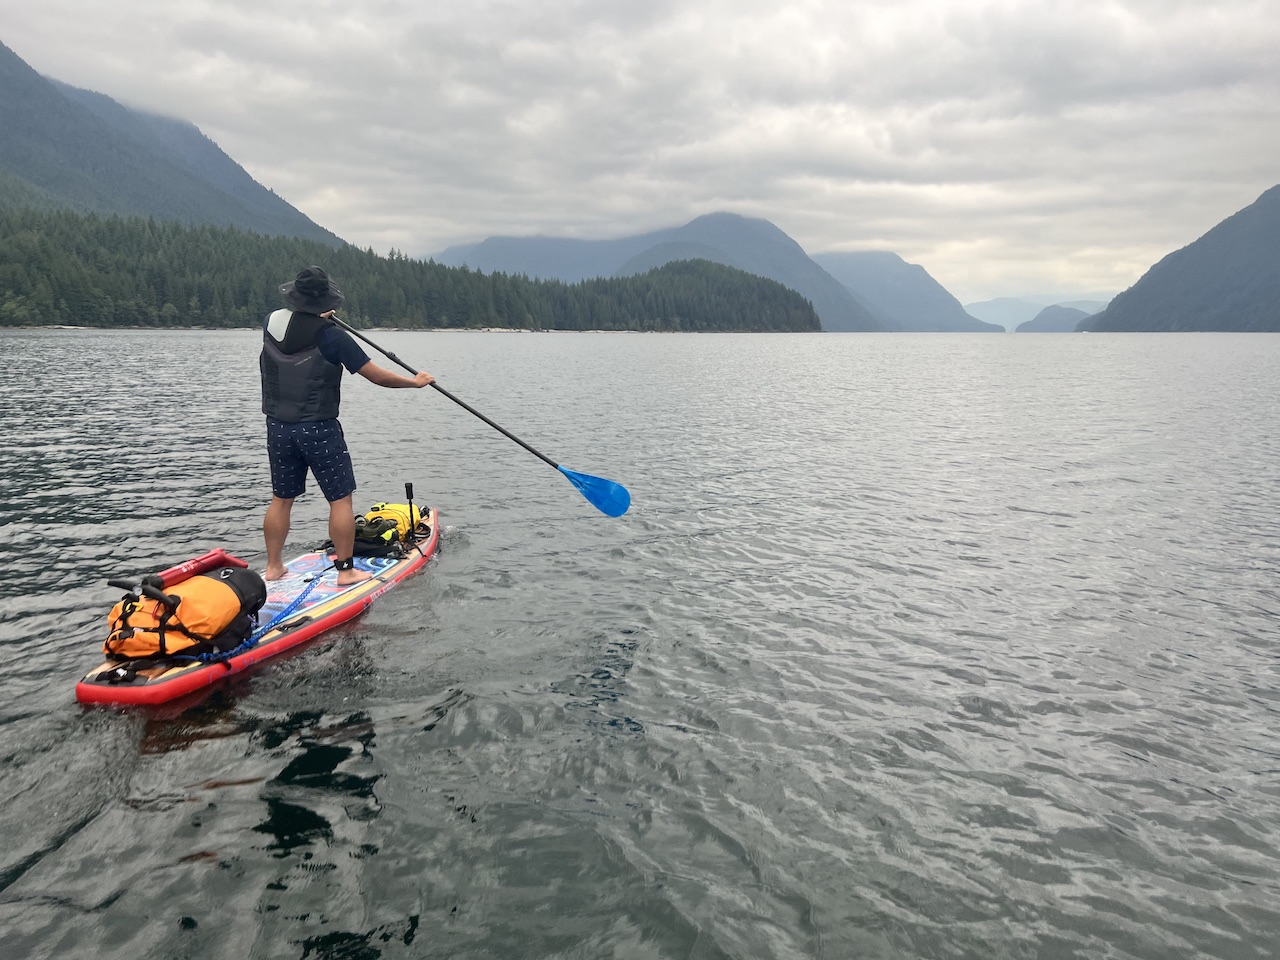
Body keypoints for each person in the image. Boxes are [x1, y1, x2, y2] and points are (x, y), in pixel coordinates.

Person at [261, 266, 433, 585]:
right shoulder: (334, 337)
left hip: (278, 427)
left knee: (281, 498)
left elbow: (296, 328)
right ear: (326, 302)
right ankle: (345, 572)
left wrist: (315, 317)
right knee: (340, 500)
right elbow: (376, 375)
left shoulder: (271, 323)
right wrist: (415, 382)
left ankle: (273, 567)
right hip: (318, 428)